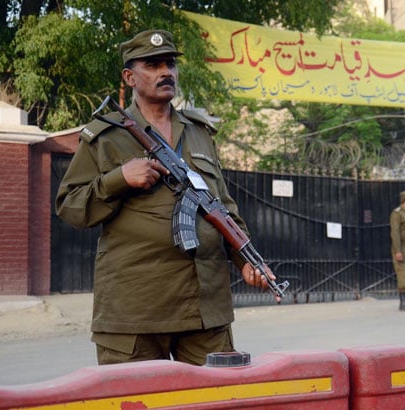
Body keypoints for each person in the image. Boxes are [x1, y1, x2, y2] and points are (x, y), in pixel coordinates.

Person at [55, 29, 276, 365]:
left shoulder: (199, 133)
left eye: (170, 64)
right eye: (153, 64)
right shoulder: (106, 137)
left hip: (205, 308)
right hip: (136, 309)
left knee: (214, 400)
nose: (166, 72)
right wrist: (119, 179)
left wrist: (246, 260)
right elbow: (69, 206)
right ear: (129, 76)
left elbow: (222, 206)